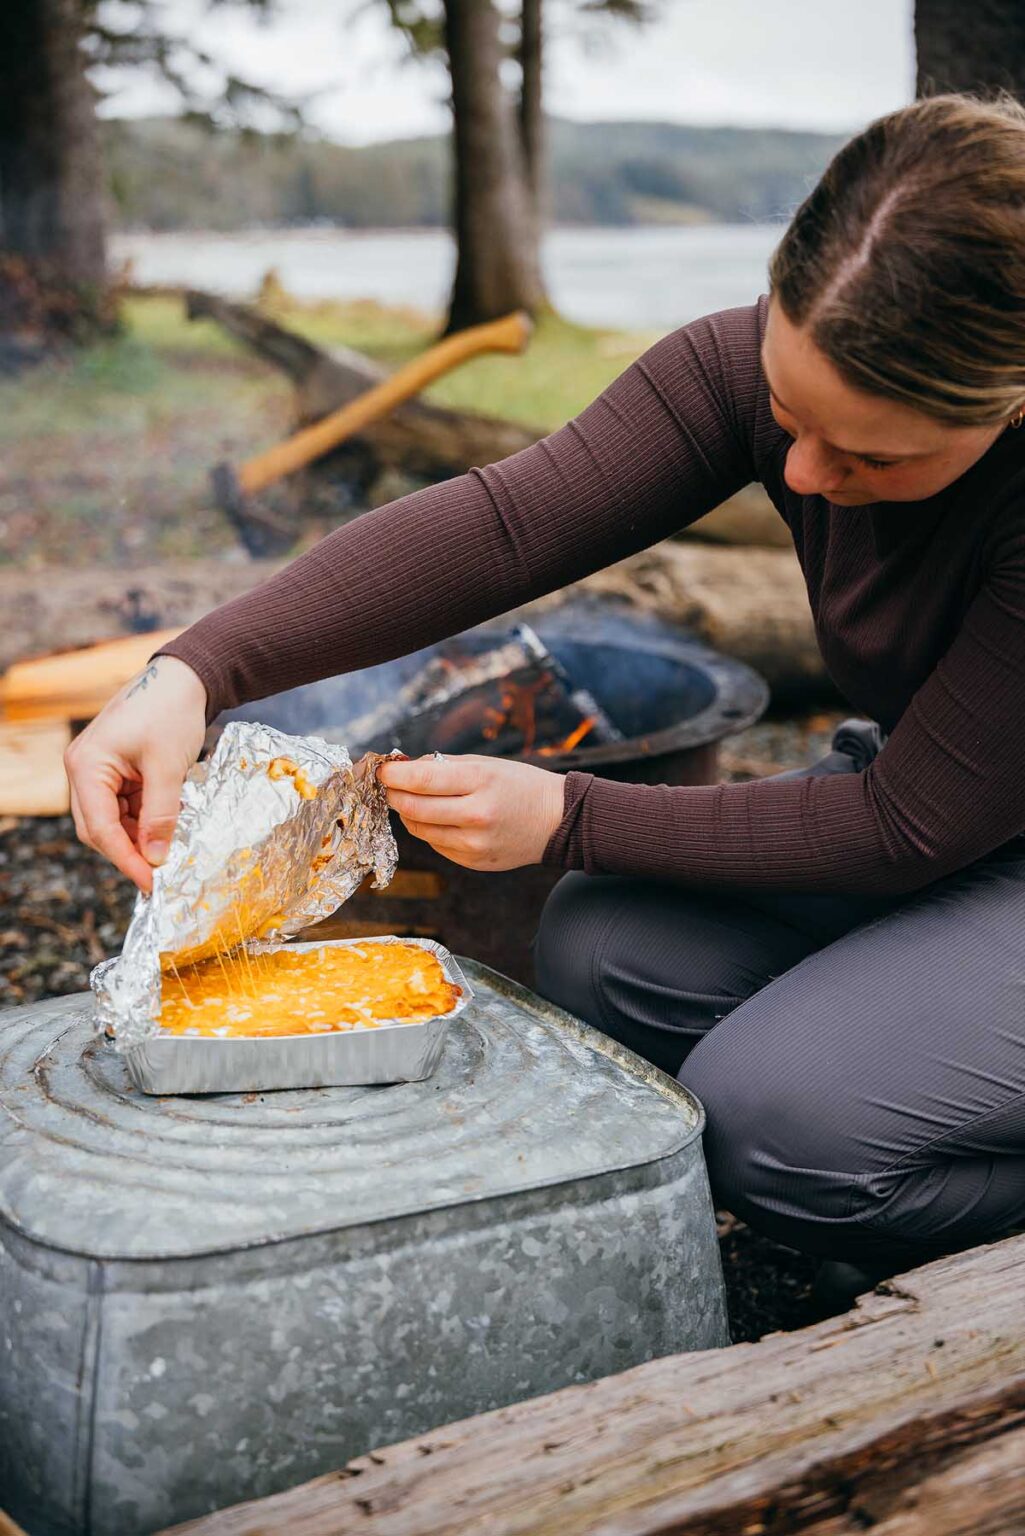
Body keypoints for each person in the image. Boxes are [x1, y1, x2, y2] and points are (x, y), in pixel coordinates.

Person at [66, 94, 1025, 1296]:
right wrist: (193, 670)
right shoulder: (750, 368)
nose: (801, 476)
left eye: (870, 459)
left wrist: (569, 817)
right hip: (953, 802)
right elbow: (507, 523)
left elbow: (902, 826)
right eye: (785, 420)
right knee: (602, 950)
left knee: (777, 1128)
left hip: (955, 823)